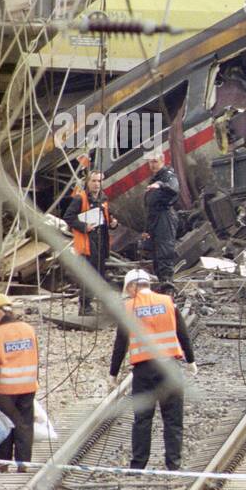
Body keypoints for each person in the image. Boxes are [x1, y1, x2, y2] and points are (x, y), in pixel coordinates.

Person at [108, 269, 196, 473]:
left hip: (144, 371)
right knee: (173, 418)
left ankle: (138, 465)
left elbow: (120, 344)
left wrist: (113, 373)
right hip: (170, 368)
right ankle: (173, 465)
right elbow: (183, 334)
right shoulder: (168, 302)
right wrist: (190, 360)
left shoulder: (129, 308)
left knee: (142, 419)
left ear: (131, 286)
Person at [0, 294, 39, 471]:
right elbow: (36, 357)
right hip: (28, 386)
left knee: (4, 424)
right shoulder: (29, 329)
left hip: (5, 390)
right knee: (24, 425)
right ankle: (23, 465)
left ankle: (3, 464)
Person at [61, 170, 113, 314]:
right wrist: (84, 226)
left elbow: (107, 216)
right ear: (88, 182)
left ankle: (96, 304)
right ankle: (85, 306)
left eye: (99, 181)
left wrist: (112, 222)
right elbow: (68, 217)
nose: (97, 184)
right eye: (94, 181)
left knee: (99, 273)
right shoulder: (80, 198)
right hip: (87, 242)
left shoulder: (103, 198)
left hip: (101, 240)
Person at [143, 150, 180, 284]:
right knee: (156, 255)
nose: (152, 165)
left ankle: (167, 285)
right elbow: (149, 208)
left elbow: (174, 189)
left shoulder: (167, 176)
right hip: (154, 220)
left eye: (155, 162)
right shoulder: (154, 178)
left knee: (165, 252)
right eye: (150, 162)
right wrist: (147, 230)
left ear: (162, 161)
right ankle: (162, 283)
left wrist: (161, 185)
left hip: (165, 218)